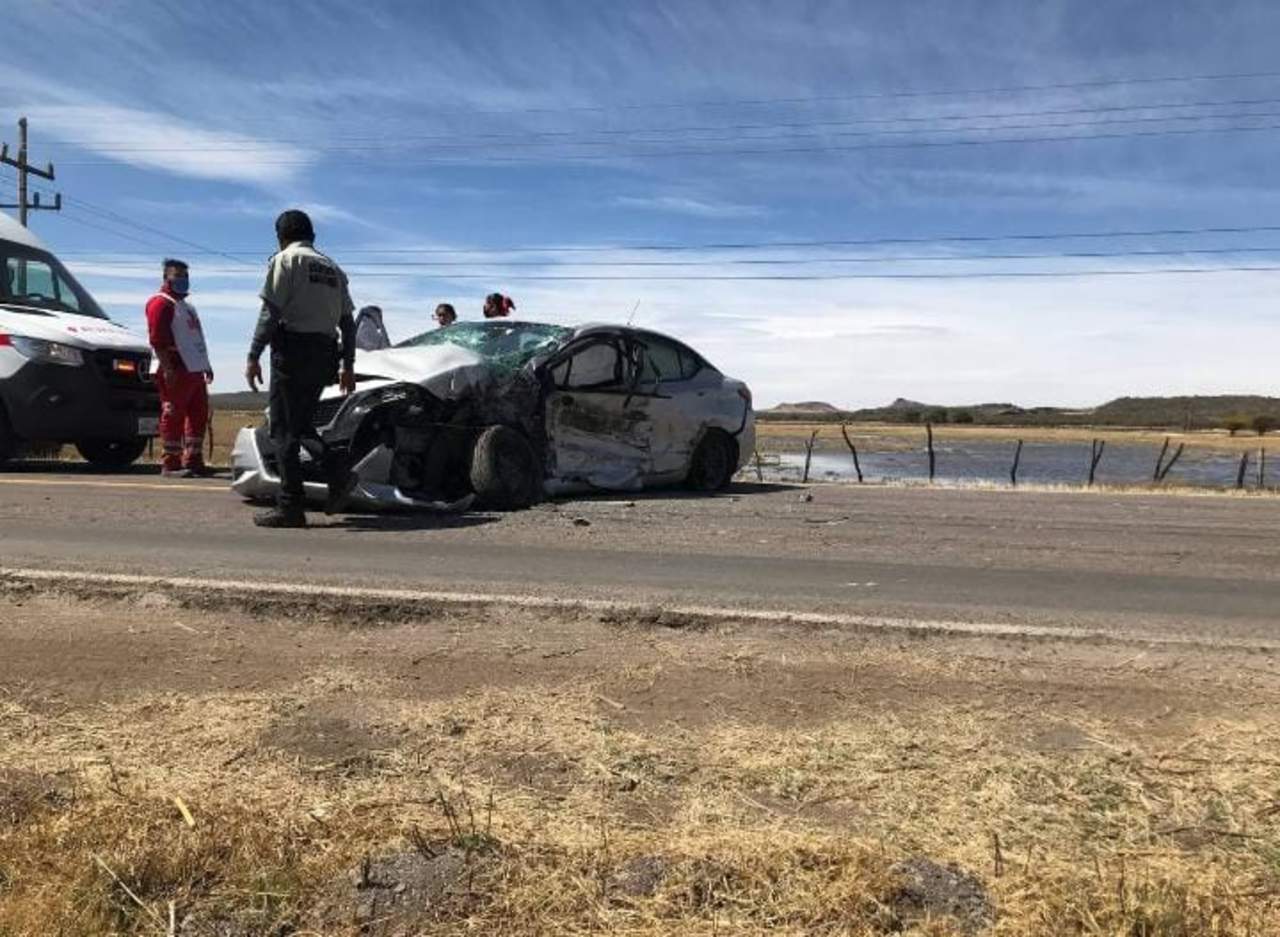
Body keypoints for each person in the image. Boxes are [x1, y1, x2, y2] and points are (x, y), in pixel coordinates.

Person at [244, 209, 357, 528]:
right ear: (313, 236)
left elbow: (271, 312)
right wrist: (348, 364)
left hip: (294, 352)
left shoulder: (286, 260)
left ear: (281, 237)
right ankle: (338, 474)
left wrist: (254, 354)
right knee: (301, 423)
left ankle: (291, 505)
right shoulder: (333, 268)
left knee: (282, 429)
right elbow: (348, 324)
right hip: (325, 354)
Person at [145, 259, 214, 478]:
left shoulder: (187, 307)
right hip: (175, 366)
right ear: (166, 278)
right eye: (178, 276)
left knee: (198, 414)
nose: (183, 281)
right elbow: (157, 339)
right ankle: (171, 463)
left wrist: (206, 365)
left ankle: (193, 458)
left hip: (194, 368)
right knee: (173, 413)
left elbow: (196, 338)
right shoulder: (160, 303)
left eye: (186, 276)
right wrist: (167, 368)